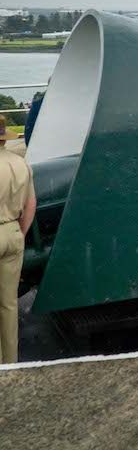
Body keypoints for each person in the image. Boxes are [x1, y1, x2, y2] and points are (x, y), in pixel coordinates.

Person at [0, 114, 35, 363]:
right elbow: (31, 204)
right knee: (9, 305)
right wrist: (19, 233)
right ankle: (10, 364)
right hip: (13, 233)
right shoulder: (21, 163)